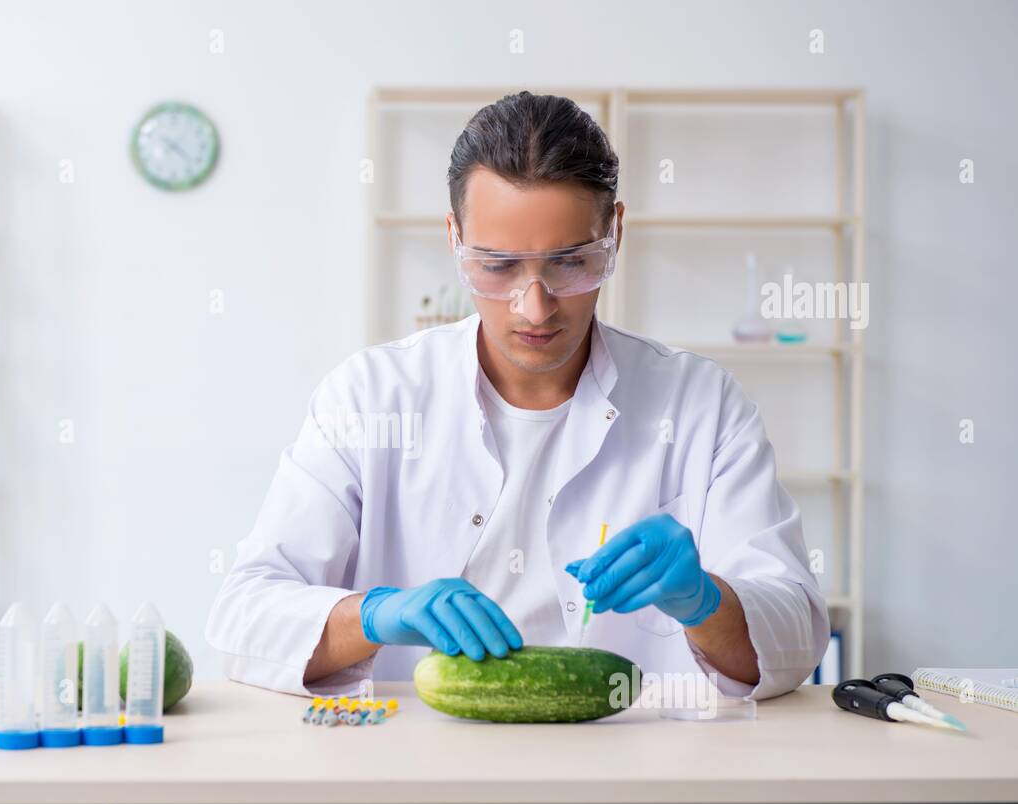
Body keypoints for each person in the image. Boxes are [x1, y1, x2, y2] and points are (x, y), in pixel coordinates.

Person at [206, 90, 828, 720]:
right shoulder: (371, 397)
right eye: (498, 267)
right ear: (454, 239)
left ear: (615, 233)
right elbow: (243, 617)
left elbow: (795, 636)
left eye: (570, 263)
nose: (535, 307)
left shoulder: (700, 404)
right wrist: (376, 613)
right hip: (409, 780)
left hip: (636, 781)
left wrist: (704, 600)